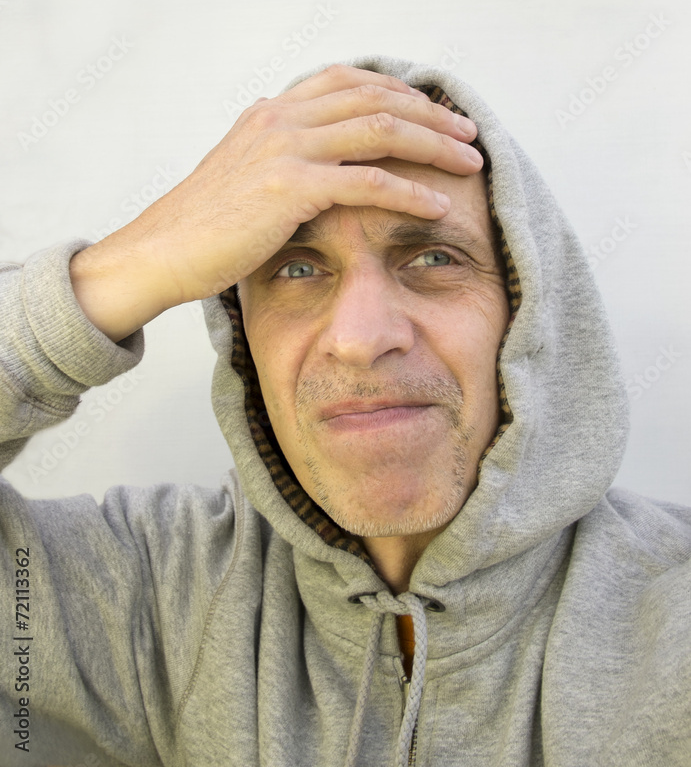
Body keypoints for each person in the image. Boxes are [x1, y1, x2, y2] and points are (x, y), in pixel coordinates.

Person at [1, 57, 689, 767]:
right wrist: (124, 269)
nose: (360, 339)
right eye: (295, 269)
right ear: (244, 345)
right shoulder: (149, 593)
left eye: (432, 257)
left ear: (529, 317)